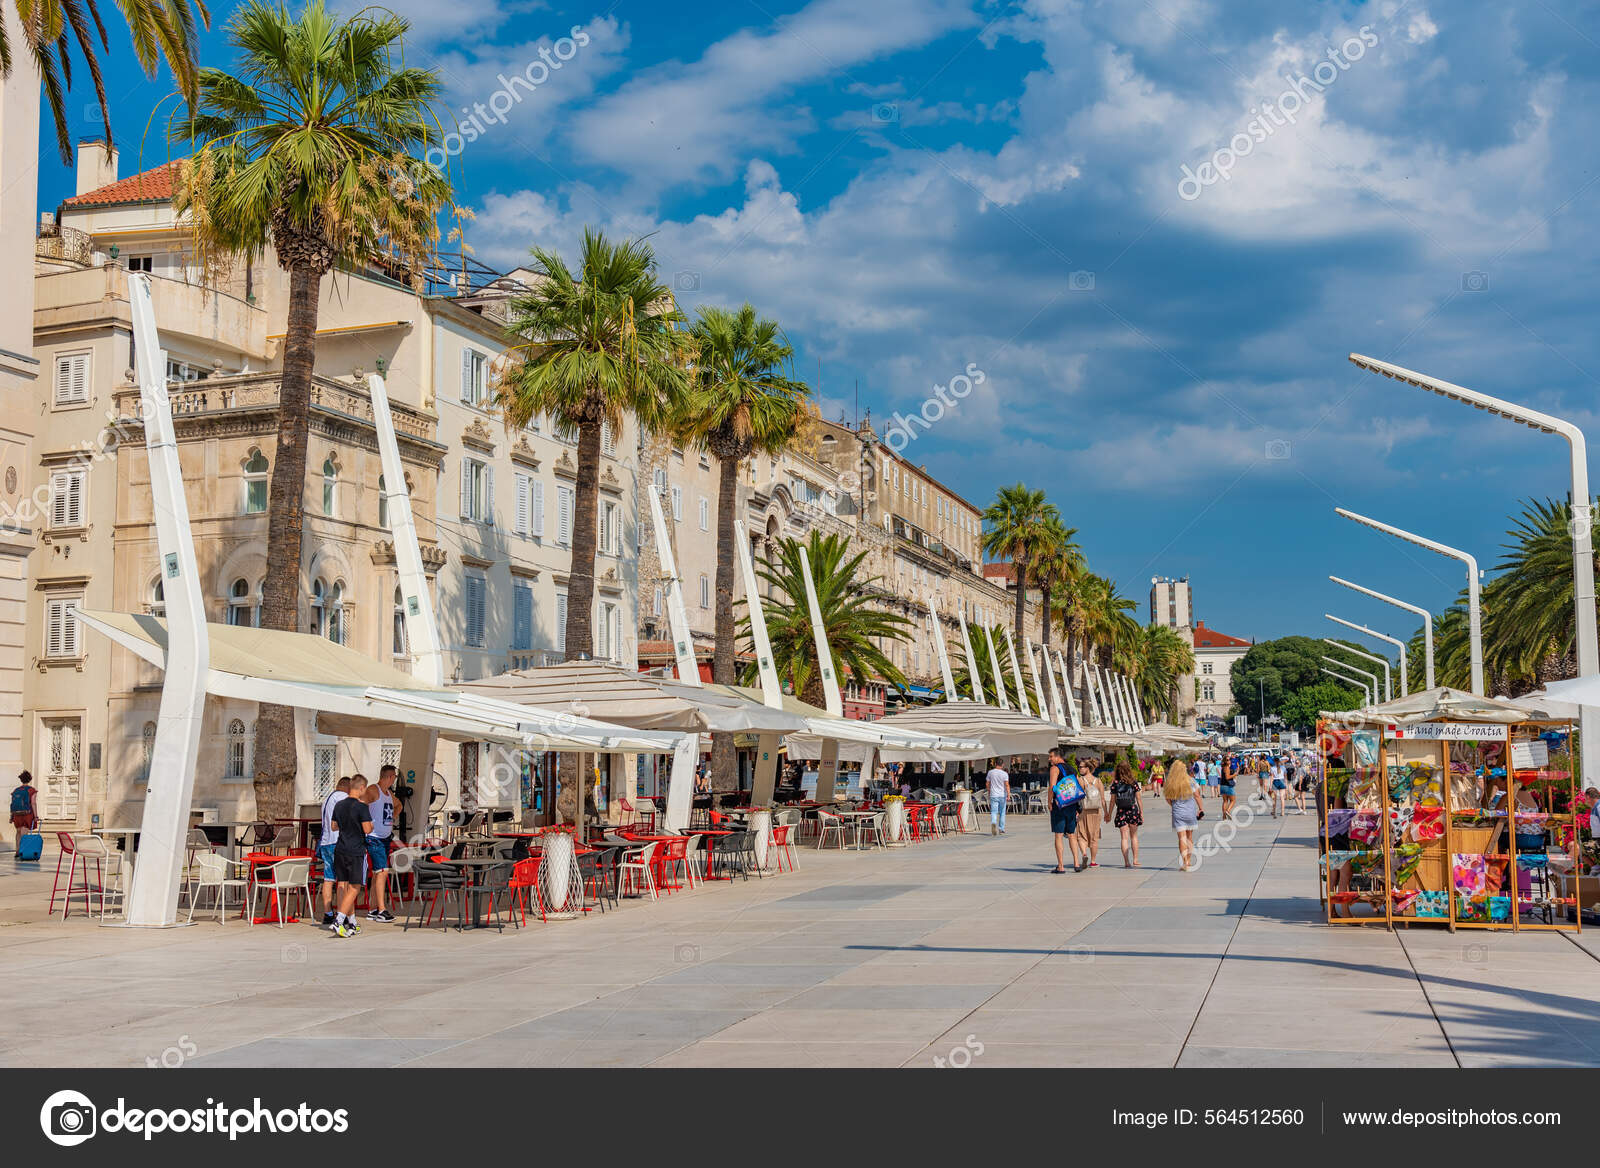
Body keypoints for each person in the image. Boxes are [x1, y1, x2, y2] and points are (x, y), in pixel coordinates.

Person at [331, 774, 374, 938]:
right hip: (356, 850)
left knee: (343, 884)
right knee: (356, 886)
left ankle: (352, 921)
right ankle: (339, 920)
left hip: (340, 848)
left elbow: (334, 826)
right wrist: (370, 823)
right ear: (362, 788)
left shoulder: (339, 805)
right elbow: (367, 830)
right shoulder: (362, 807)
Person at [363, 765, 398, 922]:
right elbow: (361, 804)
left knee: (379, 873)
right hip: (374, 837)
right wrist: (367, 823)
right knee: (382, 871)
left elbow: (399, 805)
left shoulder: (389, 793)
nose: (395, 780)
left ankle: (372, 908)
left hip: (385, 837)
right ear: (390, 777)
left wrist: (393, 819)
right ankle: (381, 910)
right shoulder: (373, 790)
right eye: (394, 777)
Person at [317, 777, 352, 926]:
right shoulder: (344, 798)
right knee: (343, 881)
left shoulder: (327, 799)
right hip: (338, 843)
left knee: (328, 879)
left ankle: (328, 913)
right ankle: (341, 914)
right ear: (347, 787)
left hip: (325, 842)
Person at [1046, 747, 1087, 873]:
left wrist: (1049, 802)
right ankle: (1076, 863)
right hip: (1072, 804)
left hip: (1060, 805)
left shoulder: (1055, 768)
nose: (1049, 759)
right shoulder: (1072, 769)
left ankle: (1061, 866)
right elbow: (1079, 785)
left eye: (1051, 756)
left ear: (1058, 756)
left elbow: (1053, 787)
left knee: (1058, 835)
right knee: (1071, 835)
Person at [1165, 759, 1201, 872]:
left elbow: (1167, 798)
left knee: (1181, 838)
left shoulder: (1170, 783)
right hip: (1190, 812)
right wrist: (1201, 808)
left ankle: (1184, 861)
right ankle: (1189, 861)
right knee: (1189, 837)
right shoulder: (1191, 780)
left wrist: (1174, 806)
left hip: (1178, 813)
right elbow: (1197, 795)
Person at [1110, 759, 1142, 867]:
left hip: (1121, 811)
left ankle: (1126, 862)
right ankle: (1135, 859)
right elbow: (1138, 798)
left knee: (1124, 837)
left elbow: (1112, 801)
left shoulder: (1115, 784)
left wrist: (1109, 813)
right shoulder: (1133, 782)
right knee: (1134, 836)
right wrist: (1141, 812)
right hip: (1132, 810)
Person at [1075, 760, 1106, 867]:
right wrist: (1106, 813)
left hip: (1083, 811)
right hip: (1096, 812)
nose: (1079, 769)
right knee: (1094, 837)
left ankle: (1084, 854)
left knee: (1081, 835)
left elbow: (1075, 797)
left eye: (1081, 767)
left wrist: (1075, 810)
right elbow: (1102, 799)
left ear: (1087, 768)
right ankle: (1093, 861)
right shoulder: (1098, 781)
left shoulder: (1080, 780)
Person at [9, 770, 36, 849]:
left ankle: (17, 850)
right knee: (24, 832)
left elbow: (12, 803)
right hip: (27, 814)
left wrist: (11, 817)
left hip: (16, 814)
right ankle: (23, 850)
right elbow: (33, 803)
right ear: (30, 779)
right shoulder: (31, 790)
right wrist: (36, 816)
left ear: (21, 779)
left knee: (18, 832)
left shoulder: (16, 790)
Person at [985, 758, 1010, 836]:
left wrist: (989, 792)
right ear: (1002, 765)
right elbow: (1006, 785)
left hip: (993, 795)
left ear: (995, 764)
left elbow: (987, 784)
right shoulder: (1004, 774)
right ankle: (1001, 829)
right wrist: (1008, 794)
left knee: (993, 811)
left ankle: (993, 823)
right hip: (1002, 795)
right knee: (1002, 812)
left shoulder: (990, 772)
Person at [1219, 755, 1237, 821]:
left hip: (1222, 785)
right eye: (1228, 760)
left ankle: (1224, 817)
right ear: (1225, 761)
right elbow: (1227, 777)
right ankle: (1228, 811)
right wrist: (1234, 775)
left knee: (1225, 801)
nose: (1229, 761)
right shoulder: (1227, 767)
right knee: (1233, 800)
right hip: (1227, 786)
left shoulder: (1223, 767)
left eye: (1229, 759)